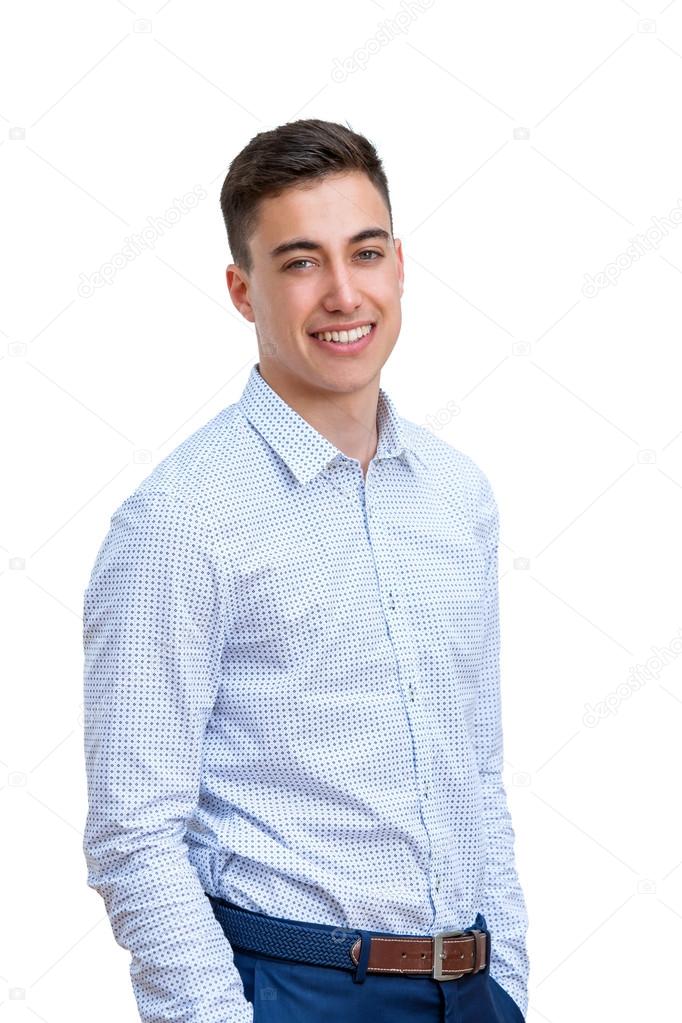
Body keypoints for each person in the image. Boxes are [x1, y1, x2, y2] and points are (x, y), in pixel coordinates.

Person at [82, 118, 529, 1023]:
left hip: (474, 988)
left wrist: (507, 977)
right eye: (299, 262)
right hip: (296, 990)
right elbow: (133, 834)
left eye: (364, 252)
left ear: (399, 265)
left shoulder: (457, 495)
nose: (341, 292)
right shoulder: (178, 523)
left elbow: (475, 768)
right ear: (243, 292)